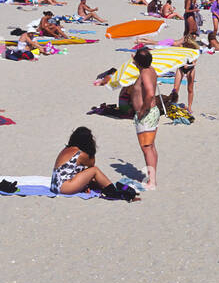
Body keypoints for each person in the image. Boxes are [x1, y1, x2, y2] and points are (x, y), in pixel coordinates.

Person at [50, 127, 135, 197]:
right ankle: (113, 192)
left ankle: (109, 188)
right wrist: (91, 148)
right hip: (64, 187)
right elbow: (91, 164)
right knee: (94, 170)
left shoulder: (67, 149)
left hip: (55, 186)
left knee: (92, 178)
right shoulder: (81, 154)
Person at [130, 48, 162, 189]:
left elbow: (149, 93)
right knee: (151, 146)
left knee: (146, 147)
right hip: (151, 112)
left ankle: (152, 181)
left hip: (147, 114)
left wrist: (142, 110)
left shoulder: (145, 73)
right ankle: (152, 177)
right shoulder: (149, 69)